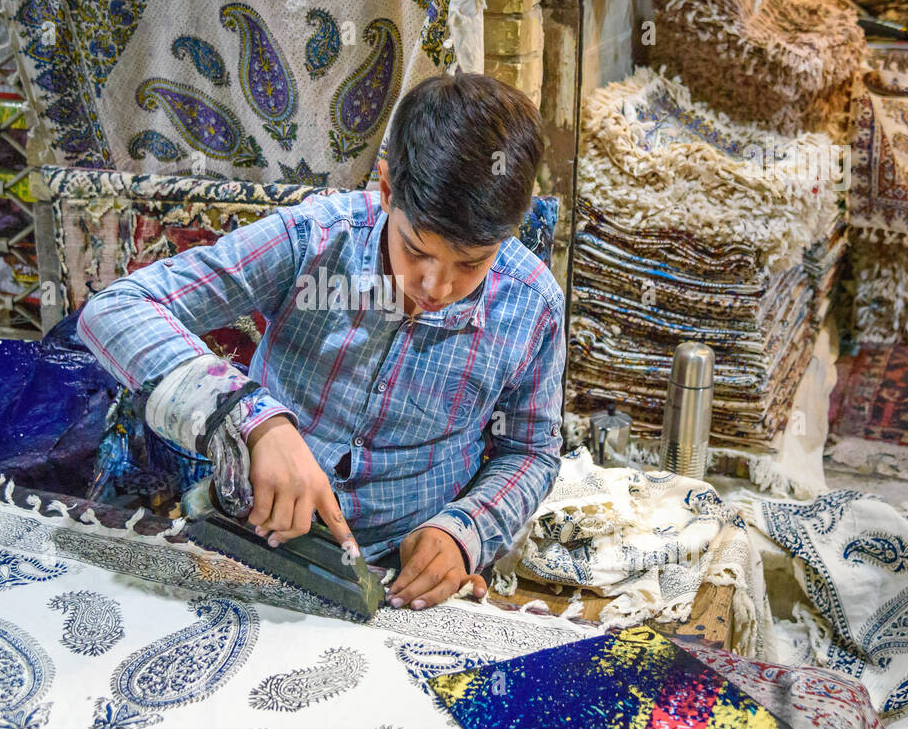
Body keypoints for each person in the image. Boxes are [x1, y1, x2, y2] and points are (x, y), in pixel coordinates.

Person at [78, 72, 565, 610]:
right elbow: (115, 309)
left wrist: (463, 533)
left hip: (404, 576)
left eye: (471, 264)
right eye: (416, 251)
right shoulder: (313, 240)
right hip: (250, 544)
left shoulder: (532, 305)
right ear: (386, 190)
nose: (437, 287)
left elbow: (532, 451)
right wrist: (250, 418)